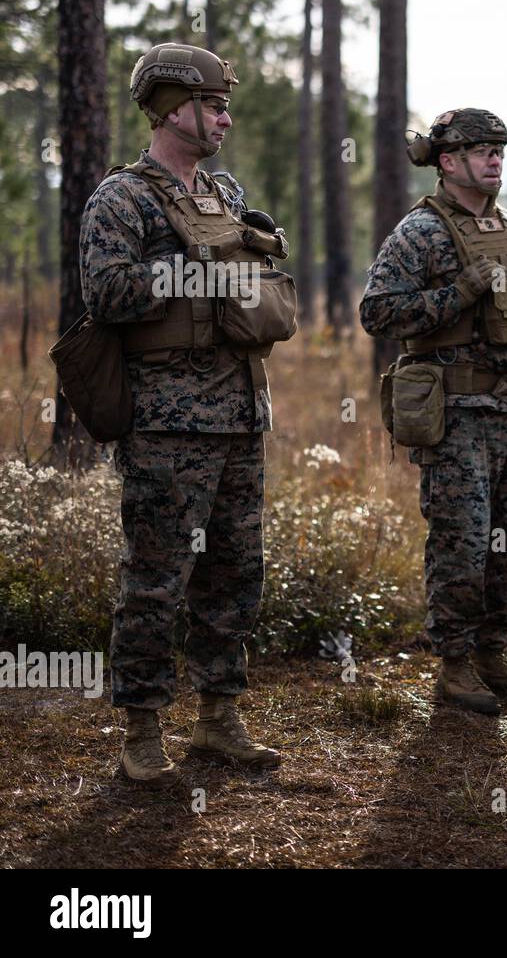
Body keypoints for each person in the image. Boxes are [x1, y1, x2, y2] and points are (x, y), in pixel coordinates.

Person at [81, 42, 298, 785]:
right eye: (212, 105)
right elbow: (105, 293)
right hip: (167, 422)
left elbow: (250, 279)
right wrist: (192, 269)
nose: (225, 118)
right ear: (172, 108)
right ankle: (141, 731)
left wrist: (247, 258)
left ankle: (217, 715)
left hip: (239, 411)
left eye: (224, 104)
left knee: (236, 573)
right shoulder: (123, 198)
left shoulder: (224, 192)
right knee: (156, 576)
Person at [360, 109, 507, 716]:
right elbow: (378, 313)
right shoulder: (420, 233)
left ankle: (492, 651)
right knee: (463, 544)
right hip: (457, 416)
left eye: (500, 148)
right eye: (481, 150)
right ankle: (453, 663)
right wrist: (459, 293)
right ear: (448, 162)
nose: (495, 158)